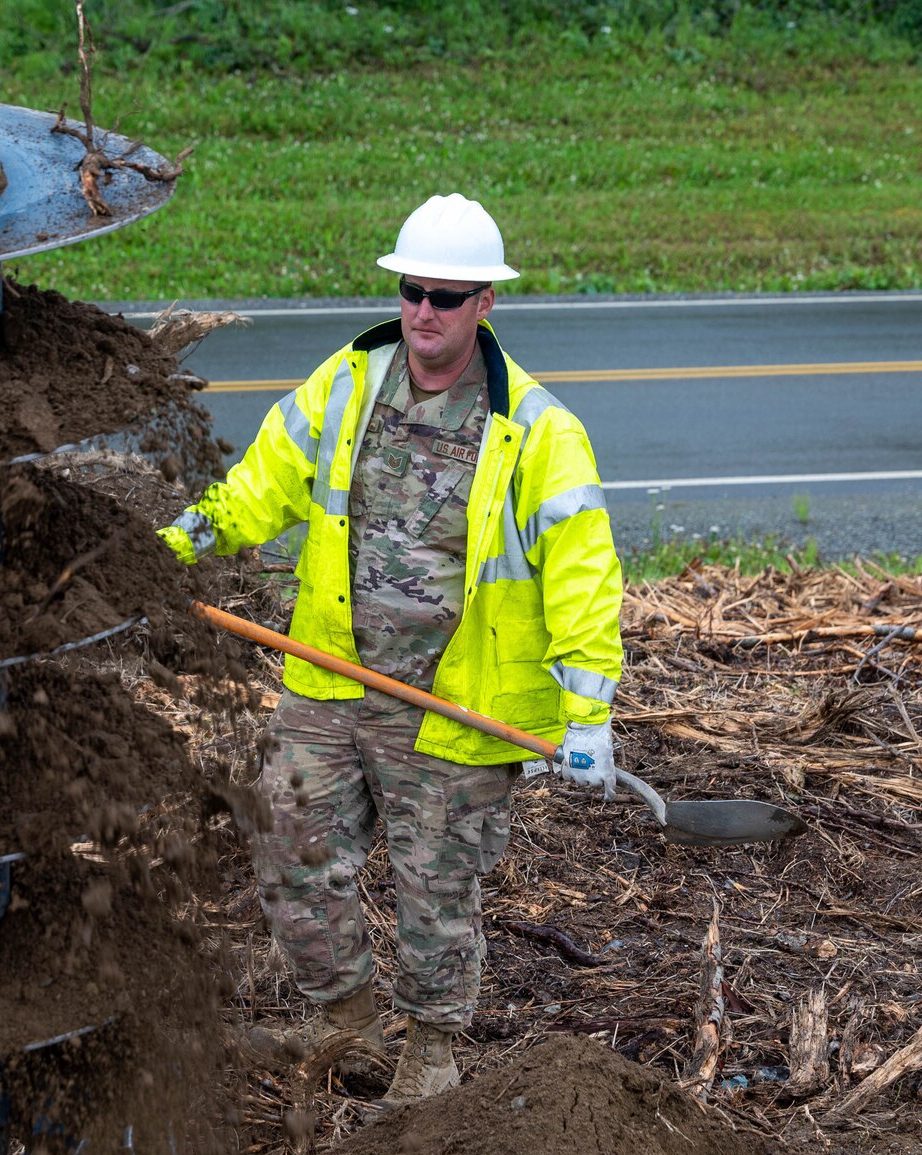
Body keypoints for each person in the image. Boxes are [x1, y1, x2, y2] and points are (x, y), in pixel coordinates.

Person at [158, 194, 624, 1106]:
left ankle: (432, 1054)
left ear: (485, 302)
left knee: (435, 891)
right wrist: (173, 547)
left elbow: (583, 579)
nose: (424, 312)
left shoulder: (538, 433)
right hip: (333, 679)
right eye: (412, 290)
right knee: (290, 845)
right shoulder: (347, 384)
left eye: (447, 296)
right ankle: (345, 1020)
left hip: (451, 709)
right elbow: (261, 484)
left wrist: (590, 714)